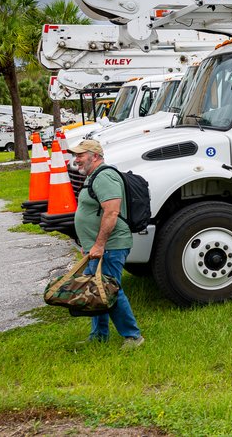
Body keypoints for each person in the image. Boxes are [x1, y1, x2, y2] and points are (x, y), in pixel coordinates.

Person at [68, 139, 144, 349]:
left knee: (110, 290)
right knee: (97, 291)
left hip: (111, 245)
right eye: (76, 156)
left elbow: (112, 212)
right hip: (98, 247)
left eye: (81, 155)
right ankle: (99, 335)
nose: (77, 160)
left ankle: (133, 337)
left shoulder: (105, 176)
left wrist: (100, 244)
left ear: (96, 155)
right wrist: (89, 243)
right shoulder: (93, 177)